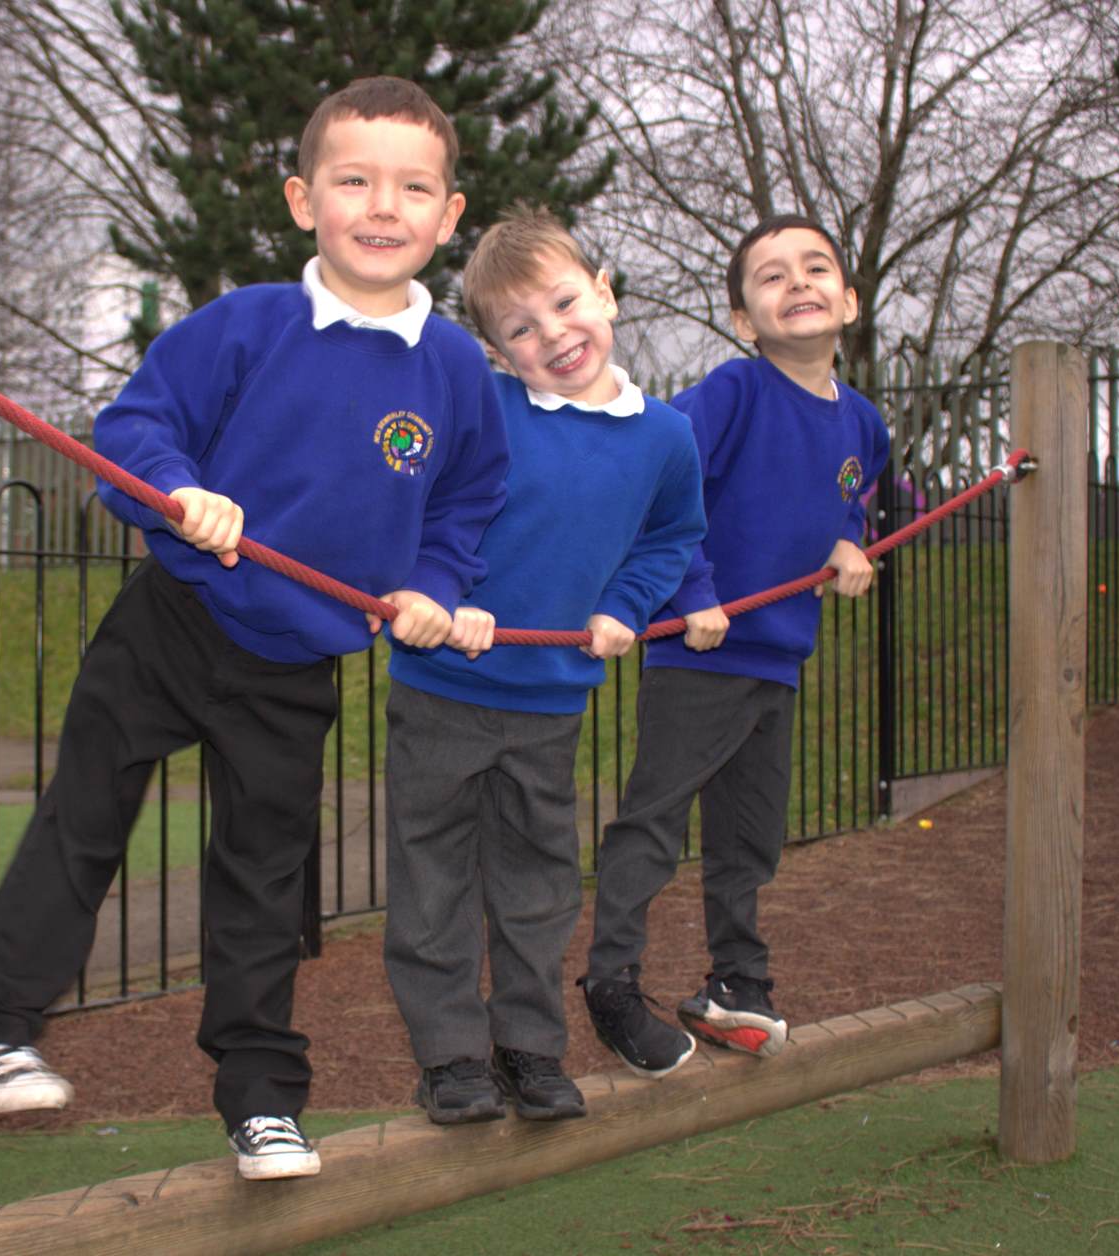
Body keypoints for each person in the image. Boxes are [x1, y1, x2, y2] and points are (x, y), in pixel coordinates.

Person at [0, 76, 509, 1181]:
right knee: (85, 817)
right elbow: (137, 425)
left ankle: (260, 1097)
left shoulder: (454, 370)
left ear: (448, 214)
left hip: (295, 662)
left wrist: (436, 584)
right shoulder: (247, 323)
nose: (381, 206)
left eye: (412, 187)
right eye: (354, 181)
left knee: (262, 875)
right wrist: (173, 489)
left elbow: (465, 503)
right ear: (304, 200)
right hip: (176, 617)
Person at [383, 206, 707, 1124]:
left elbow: (671, 538)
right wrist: (443, 592)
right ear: (497, 351)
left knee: (537, 885)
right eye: (519, 328)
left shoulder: (666, 438)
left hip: (550, 701)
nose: (553, 334)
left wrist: (625, 608)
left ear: (603, 292)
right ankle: (451, 1059)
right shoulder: (487, 412)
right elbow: (418, 509)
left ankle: (529, 1047)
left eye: (565, 303)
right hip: (444, 688)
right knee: (433, 881)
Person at [578, 213, 890, 1071]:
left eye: (816, 268)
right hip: (701, 654)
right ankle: (611, 979)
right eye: (772, 276)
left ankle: (736, 986)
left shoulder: (862, 423)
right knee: (654, 819)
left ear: (850, 301)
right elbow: (662, 488)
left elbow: (848, 502)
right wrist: (694, 591)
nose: (798, 284)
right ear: (747, 322)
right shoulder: (732, 394)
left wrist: (847, 542)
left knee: (749, 835)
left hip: (777, 658)